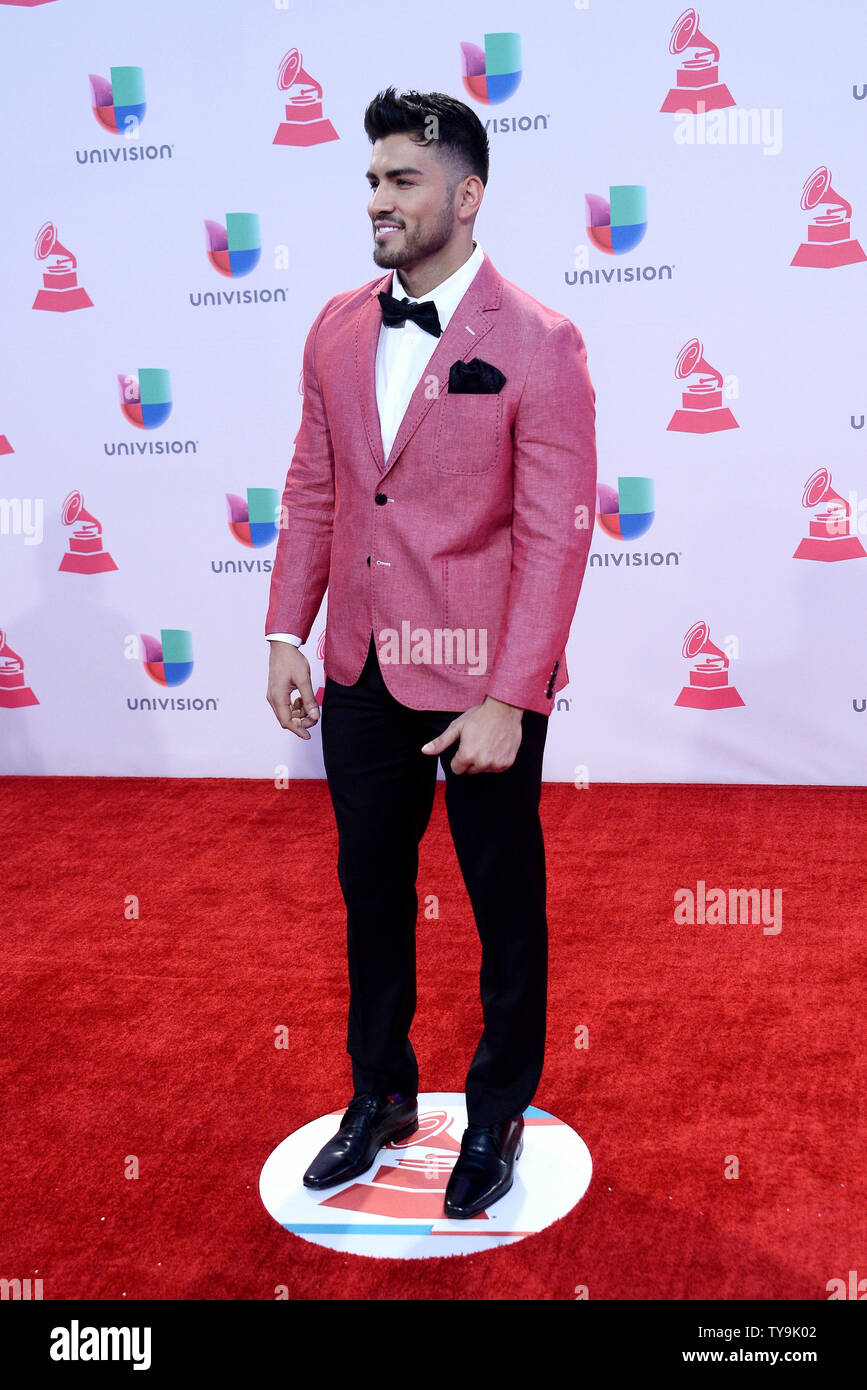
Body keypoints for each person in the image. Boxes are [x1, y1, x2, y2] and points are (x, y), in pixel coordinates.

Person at [265, 87, 596, 1218]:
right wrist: (283, 630)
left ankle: (499, 1105)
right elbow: (317, 489)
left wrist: (515, 694)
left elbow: (557, 534)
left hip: (480, 677)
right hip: (359, 667)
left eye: (402, 179)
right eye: (370, 179)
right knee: (370, 889)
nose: (379, 200)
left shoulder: (541, 341)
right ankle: (382, 1094)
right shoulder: (335, 326)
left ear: (466, 193)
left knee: (504, 895)